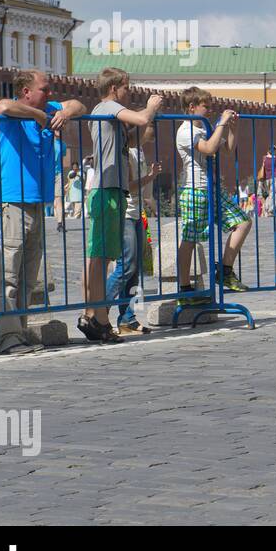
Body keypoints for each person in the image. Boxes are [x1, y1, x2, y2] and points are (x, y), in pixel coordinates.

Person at [0, 70, 85, 354]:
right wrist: (39, 117)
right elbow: (2, 106)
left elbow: (79, 105)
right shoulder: (11, 112)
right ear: (26, 92)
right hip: (11, 202)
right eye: (44, 89)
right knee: (8, 275)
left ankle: (19, 333)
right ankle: (6, 337)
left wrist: (63, 113)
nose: (49, 94)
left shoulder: (50, 108)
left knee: (28, 275)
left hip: (37, 202)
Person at [79, 68, 164, 344]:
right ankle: (98, 319)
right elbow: (140, 118)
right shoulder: (109, 106)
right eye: (127, 86)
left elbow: (135, 136)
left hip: (110, 189)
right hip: (107, 191)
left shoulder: (105, 112)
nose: (130, 91)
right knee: (101, 257)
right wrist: (150, 107)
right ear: (115, 87)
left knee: (100, 256)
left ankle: (94, 315)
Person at [175, 87, 254, 306]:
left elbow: (227, 149)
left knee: (243, 222)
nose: (209, 110)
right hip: (194, 189)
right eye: (205, 106)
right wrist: (220, 123)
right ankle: (184, 289)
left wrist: (232, 128)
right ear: (192, 107)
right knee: (190, 238)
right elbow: (209, 149)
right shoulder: (186, 131)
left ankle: (225, 270)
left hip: (213, 188)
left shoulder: (206, 127)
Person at [106, 132, 161, 337]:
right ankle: (99, 310)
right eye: (150, 125)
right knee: (126, 265)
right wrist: (151, 176)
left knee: (136, 269)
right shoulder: (126, 151)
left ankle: (129, 318)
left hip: (138, 212)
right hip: (126, 213)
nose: (153, 128)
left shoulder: (140, 151)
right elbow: (129, 185)